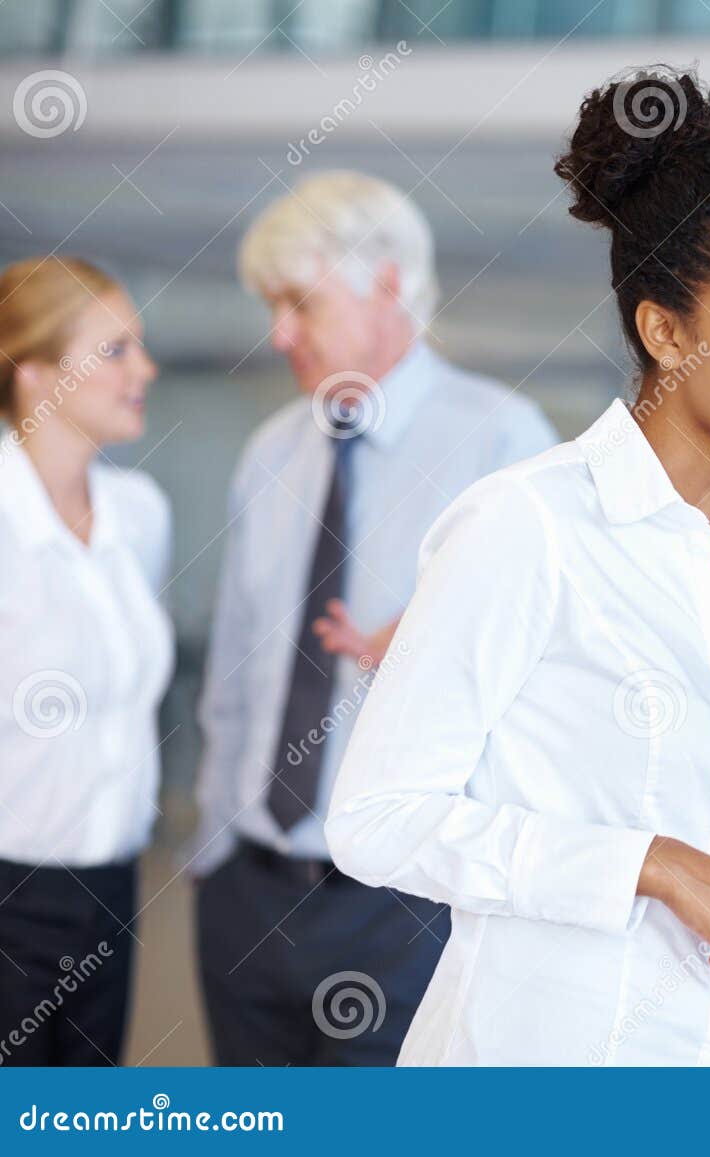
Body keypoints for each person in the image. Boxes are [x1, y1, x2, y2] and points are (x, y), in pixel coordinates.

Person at [324, 68, 710, 1066]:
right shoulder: (528, 524)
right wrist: (648, 866)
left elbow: (706, 833)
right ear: (666, 331)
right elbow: (375, 819)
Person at [191, 171, 560, 1066]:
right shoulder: (272, 449)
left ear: (387, 283)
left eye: (297, 303)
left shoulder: (506, 445)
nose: (278, 332)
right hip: (248, 885)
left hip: (400, 901)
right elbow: (236, 668)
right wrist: (213, 852)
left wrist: (437, 647)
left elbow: (555, 682)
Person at [0, 256, 172, 1065]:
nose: (145, 369)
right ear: (35, 374)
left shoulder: (139, 515)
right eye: (113, 350)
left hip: (111, 892)